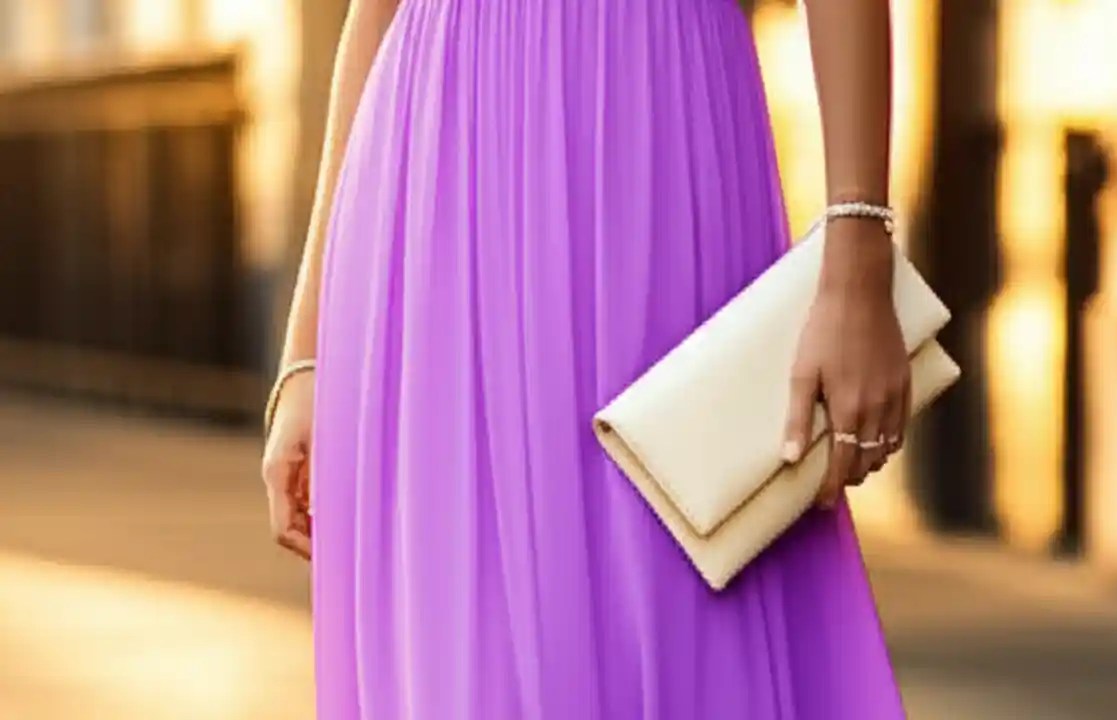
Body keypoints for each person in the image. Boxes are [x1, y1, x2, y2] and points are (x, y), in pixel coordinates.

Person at [261, 0, 909, 717]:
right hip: (431, 183)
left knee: (680, 605)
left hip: (654, 152)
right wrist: (309, 354)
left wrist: (857, 249)